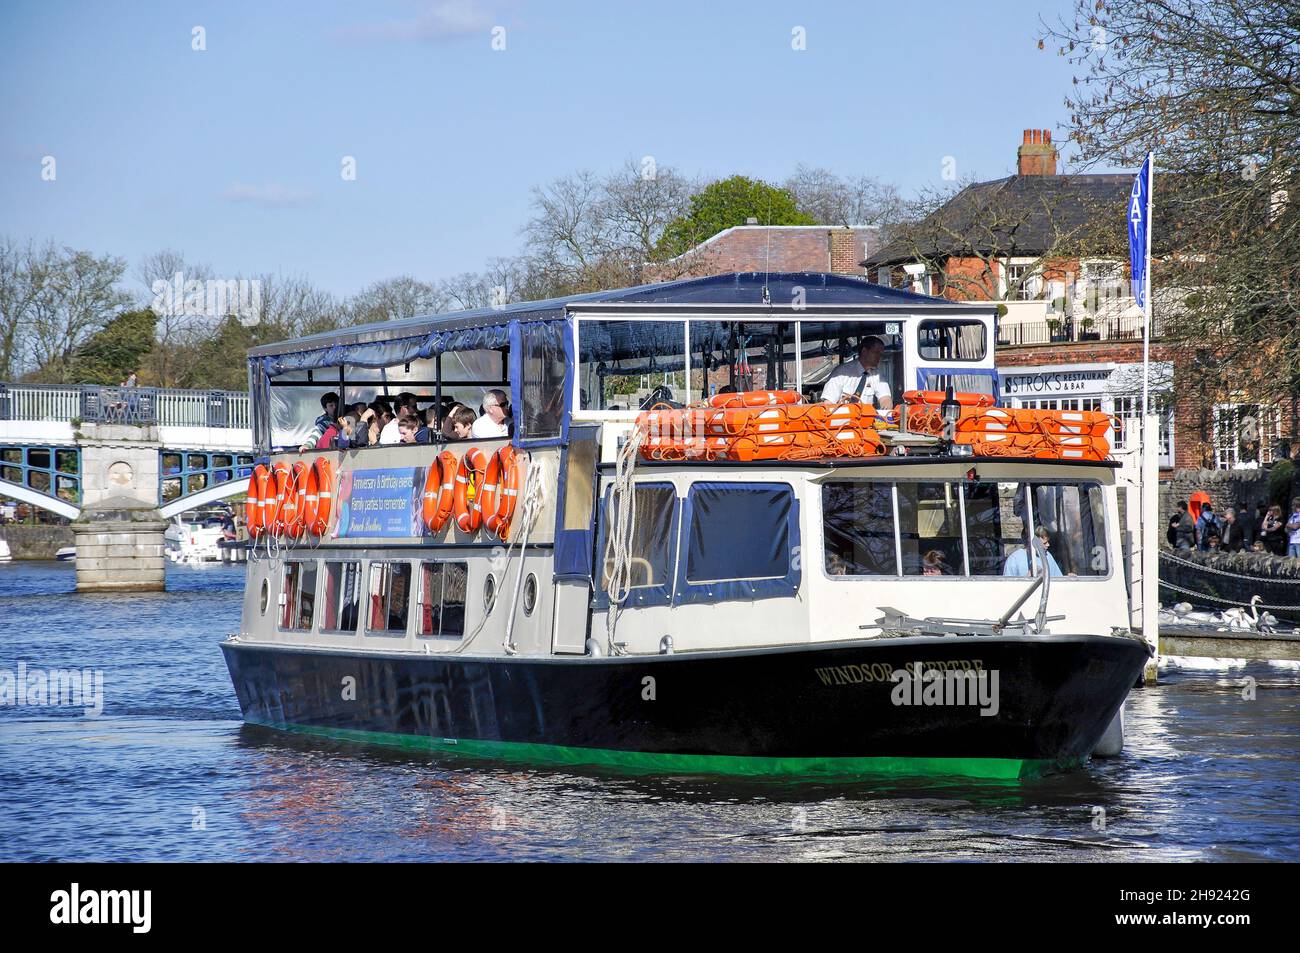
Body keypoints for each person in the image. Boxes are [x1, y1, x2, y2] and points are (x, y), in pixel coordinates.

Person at [819, 336, 893, 409]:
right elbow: (828, 404)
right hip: (843, 419)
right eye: (876, 352)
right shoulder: (841, 372)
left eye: (881, 354)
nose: (879, 356)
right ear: (864, 351)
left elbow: (885, 398)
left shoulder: (877, 375)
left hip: (866, 419)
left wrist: (886, 411)